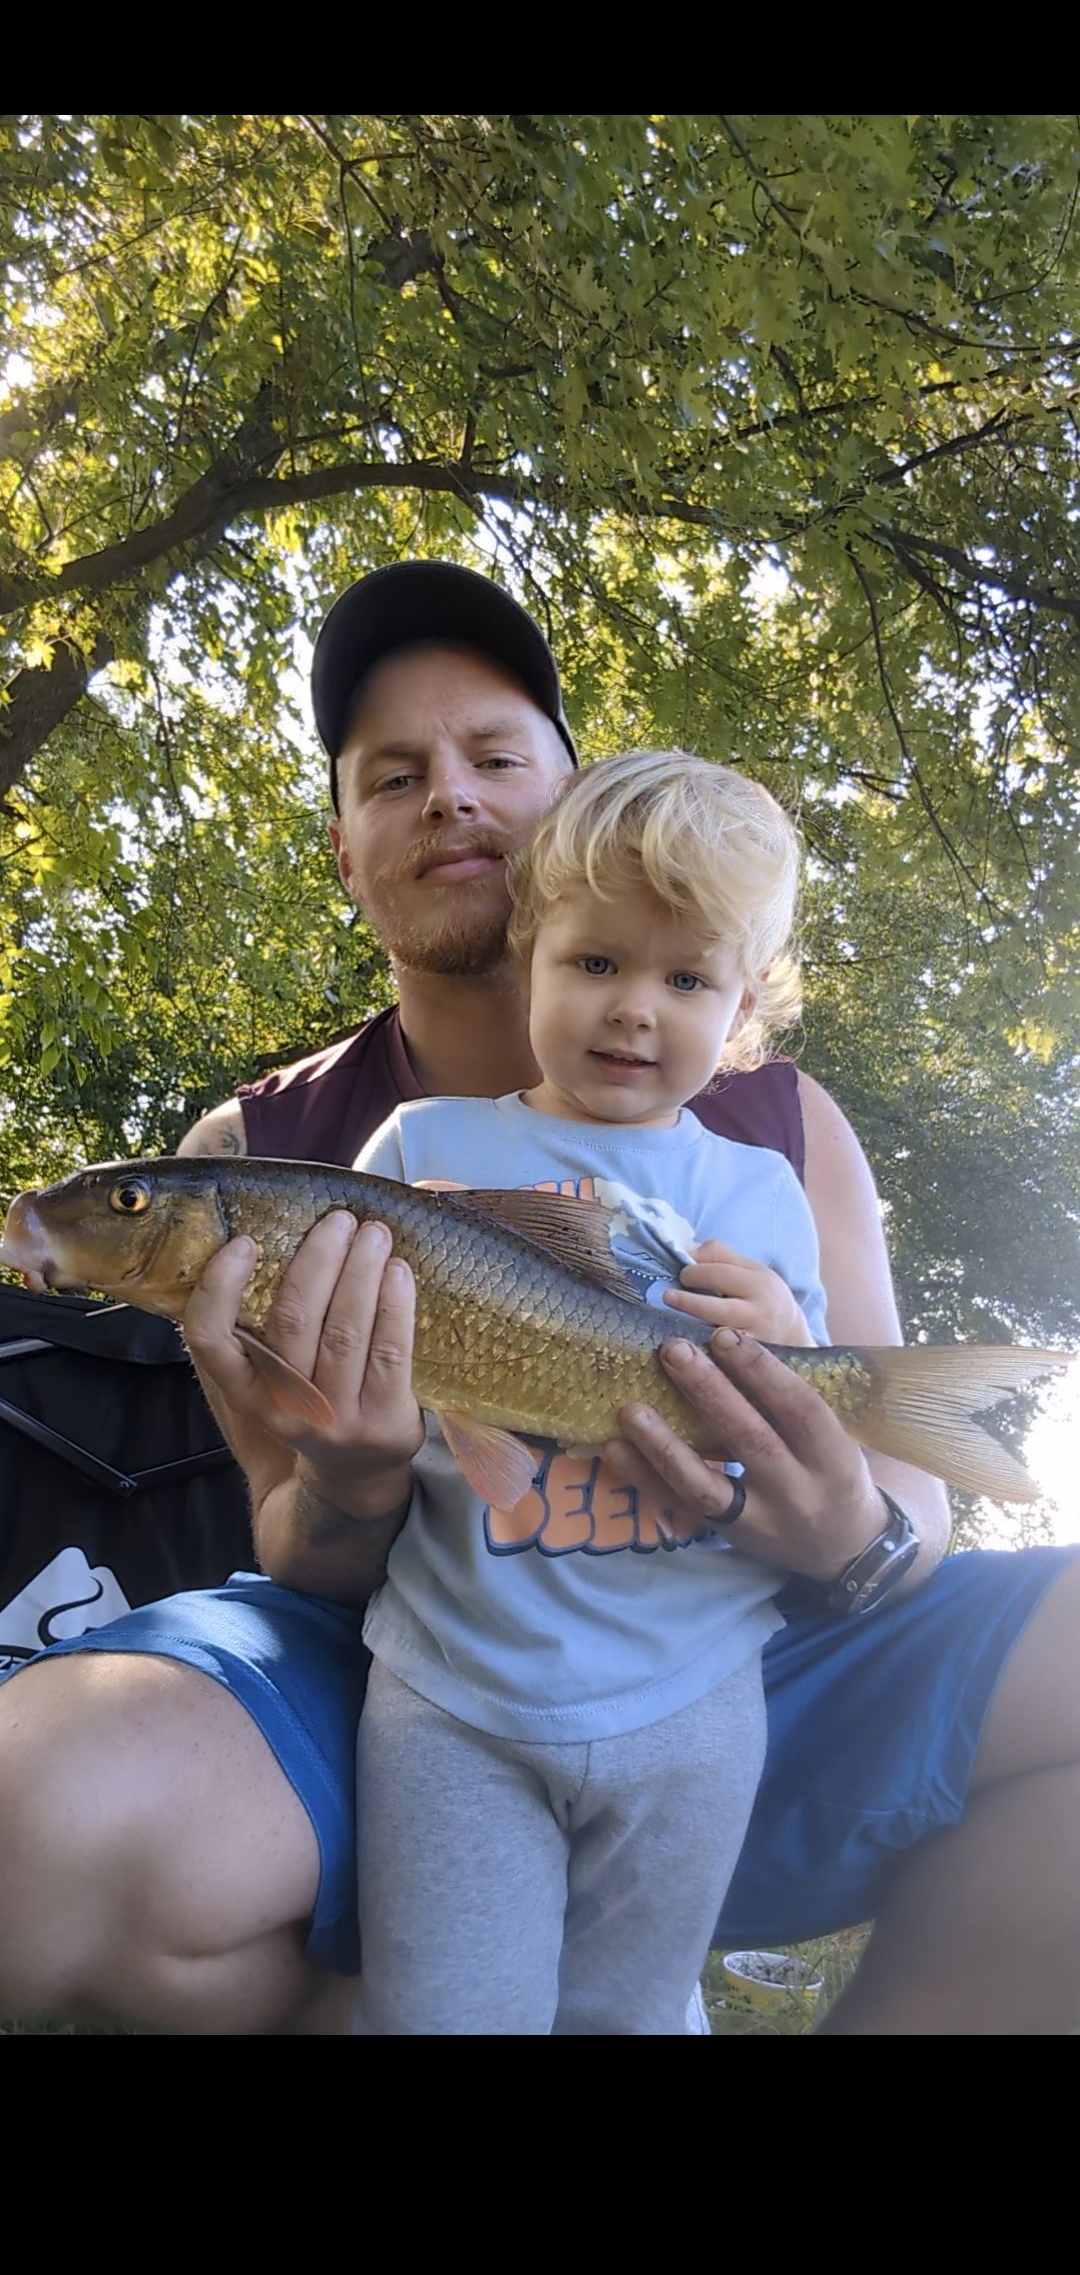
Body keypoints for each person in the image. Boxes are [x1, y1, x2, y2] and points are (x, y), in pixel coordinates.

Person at [0, 560, 1075, 2036]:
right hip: (427, 1678)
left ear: (567, 799)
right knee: (41, 1808)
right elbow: (291, 1552)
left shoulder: (785, 1123)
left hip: (742, 1671)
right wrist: (353, 1482)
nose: (449, 795)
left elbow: (905, 1511)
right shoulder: (250, 1158)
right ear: (342, 846)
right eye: (395, 774)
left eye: (495, 757)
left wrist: (836, 1523)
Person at [353, 748, 829, 2034]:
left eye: (685, 980)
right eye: (597, 963)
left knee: (630, 2017)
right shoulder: (422, 1150)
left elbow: (806, 1432)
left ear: (742, 1013)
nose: (634, 1010)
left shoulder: (760, 1192)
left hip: (696, 1688)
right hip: (453, 1687)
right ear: (529, 954)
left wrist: (788, 1339)